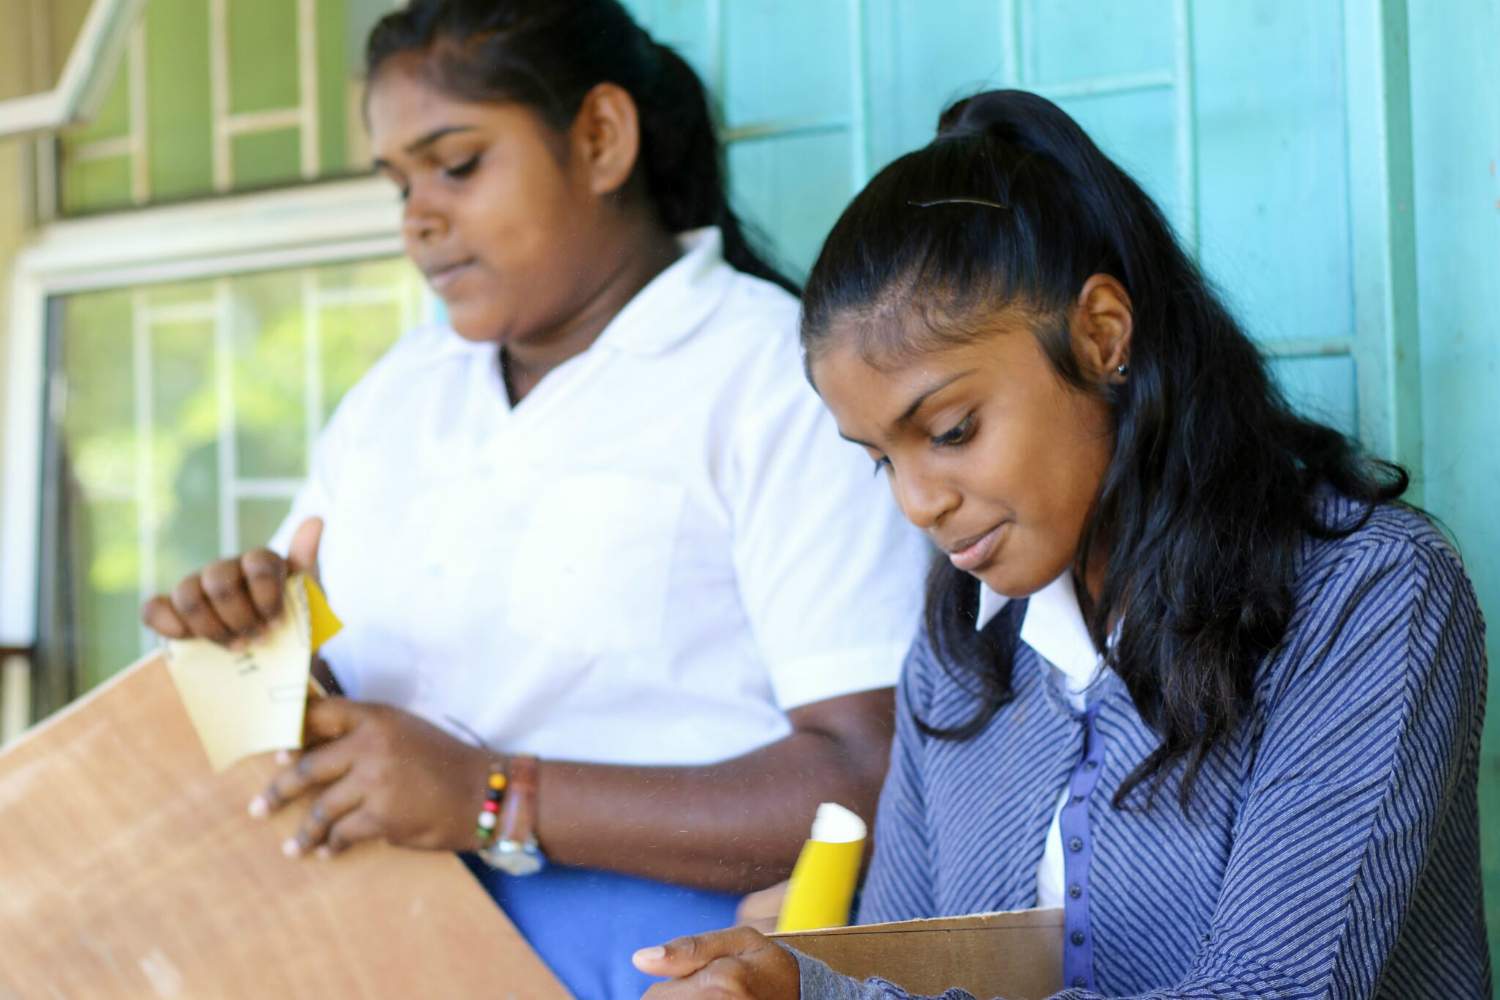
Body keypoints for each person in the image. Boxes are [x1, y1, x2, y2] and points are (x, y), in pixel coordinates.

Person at [140, 2, 929, 996]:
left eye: (458, 163)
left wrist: (492, 796)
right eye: (400, 183)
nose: (419, 216)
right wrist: (251, 643)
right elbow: (313, 698)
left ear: (600, 139)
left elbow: (863, 777)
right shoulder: (401, 393)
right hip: (365, 943)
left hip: (658, 967)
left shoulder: (771, 377)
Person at [632, 89, 1491, 998]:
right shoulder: (959, 654)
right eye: (880, 459)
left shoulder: (1370, 595)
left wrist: (825, 994)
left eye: (953, 429)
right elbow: (897, 965)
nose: (918, 501)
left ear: (1100, 336)